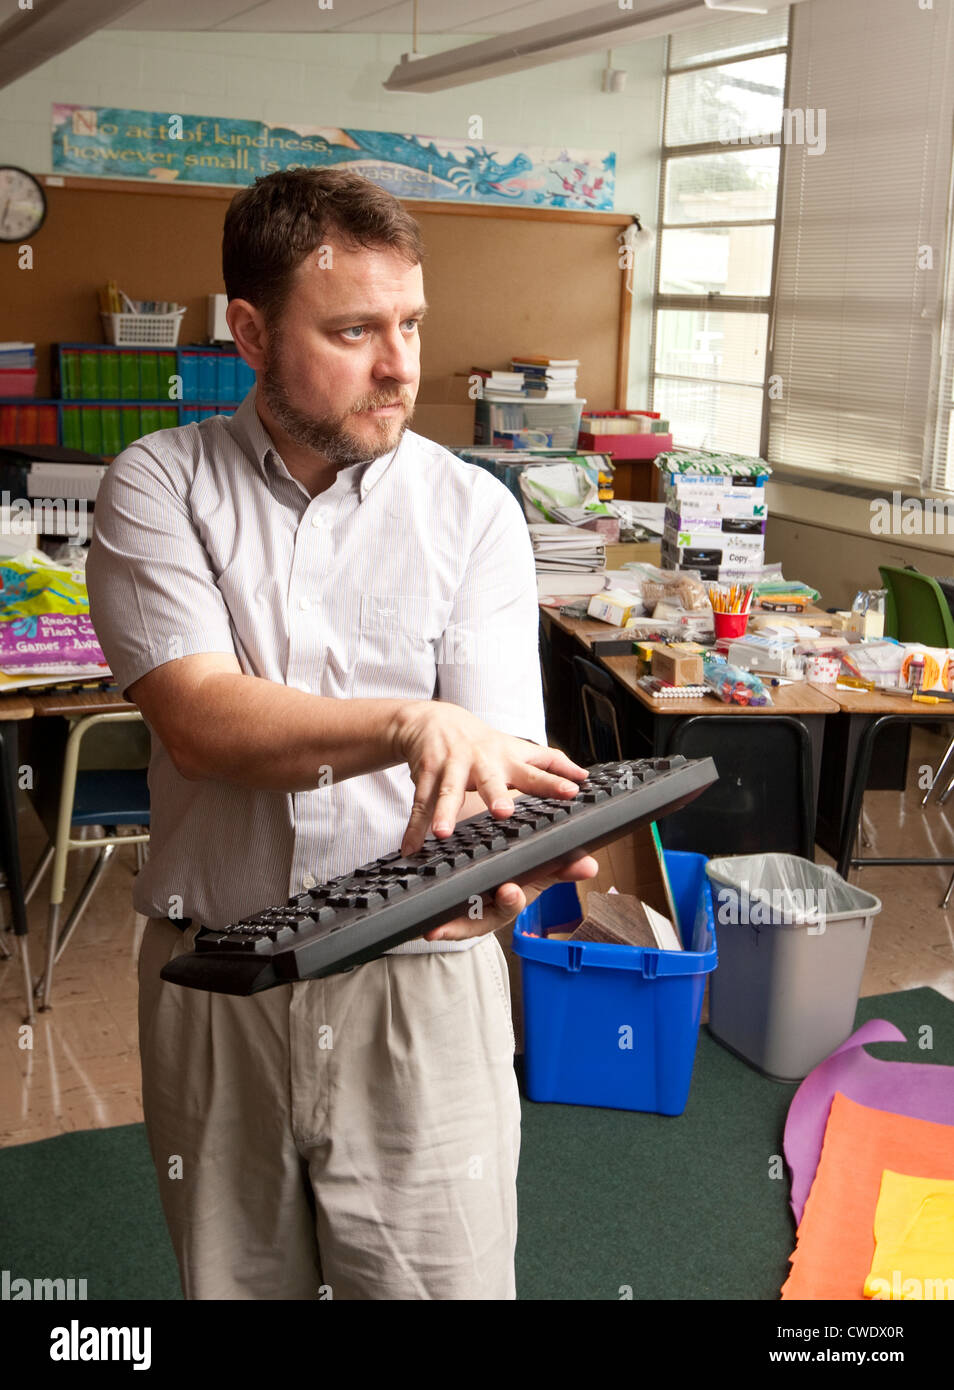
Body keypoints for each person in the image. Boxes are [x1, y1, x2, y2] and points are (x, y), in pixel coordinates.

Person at [86, 167, 598, 1301]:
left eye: (411, 323)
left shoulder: (474, 513)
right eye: (355, 328)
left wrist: (503, 856)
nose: (400, 365)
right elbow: (202, 722)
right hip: (218, 982)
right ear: (252, 331)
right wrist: (413, 722)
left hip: (420, 980)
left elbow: (488, 758)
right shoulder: (159, 486)